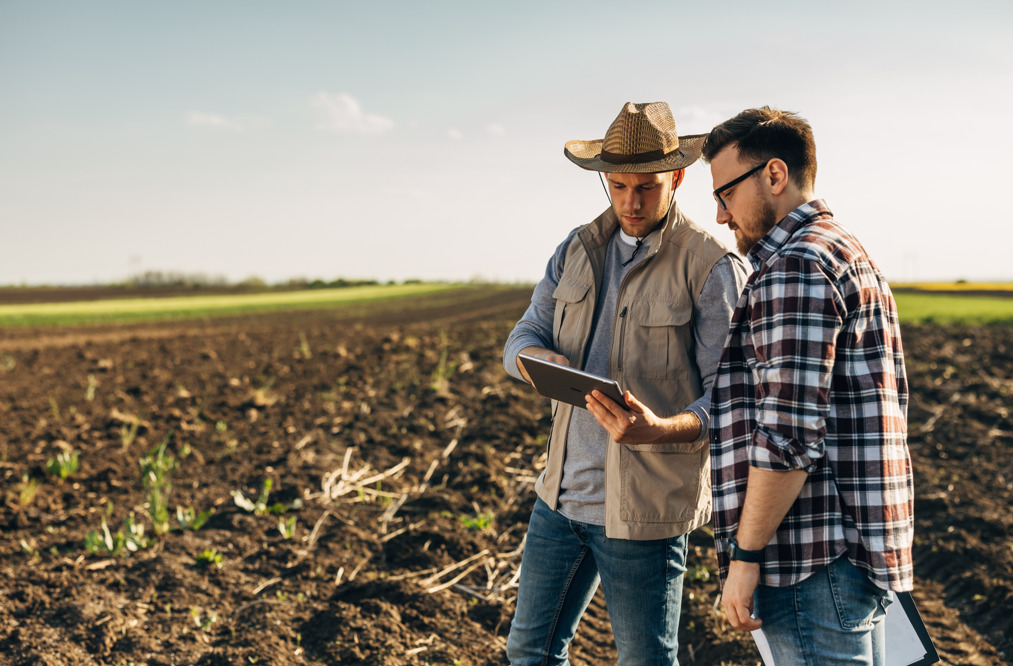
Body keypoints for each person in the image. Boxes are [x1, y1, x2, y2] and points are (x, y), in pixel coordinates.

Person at [502, 101, 747, 665]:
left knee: (646, 661)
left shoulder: (709, 266)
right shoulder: (576, 249)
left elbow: (732, 399)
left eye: (647, 187)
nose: (631, 202)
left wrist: (659, 429)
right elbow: (522, 336)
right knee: (529, 652)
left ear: (678, 178)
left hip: (646, 514)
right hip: (560, 499)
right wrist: (538, 359)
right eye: (618, 186)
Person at [701, 106, 914, 666]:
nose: (721, 216)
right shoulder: (843, 248)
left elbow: (788, 437)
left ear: (774, 175)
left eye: (725, 194)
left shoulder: (795, 267)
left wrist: (745, 557)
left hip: (807, 559)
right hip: (850, 553)